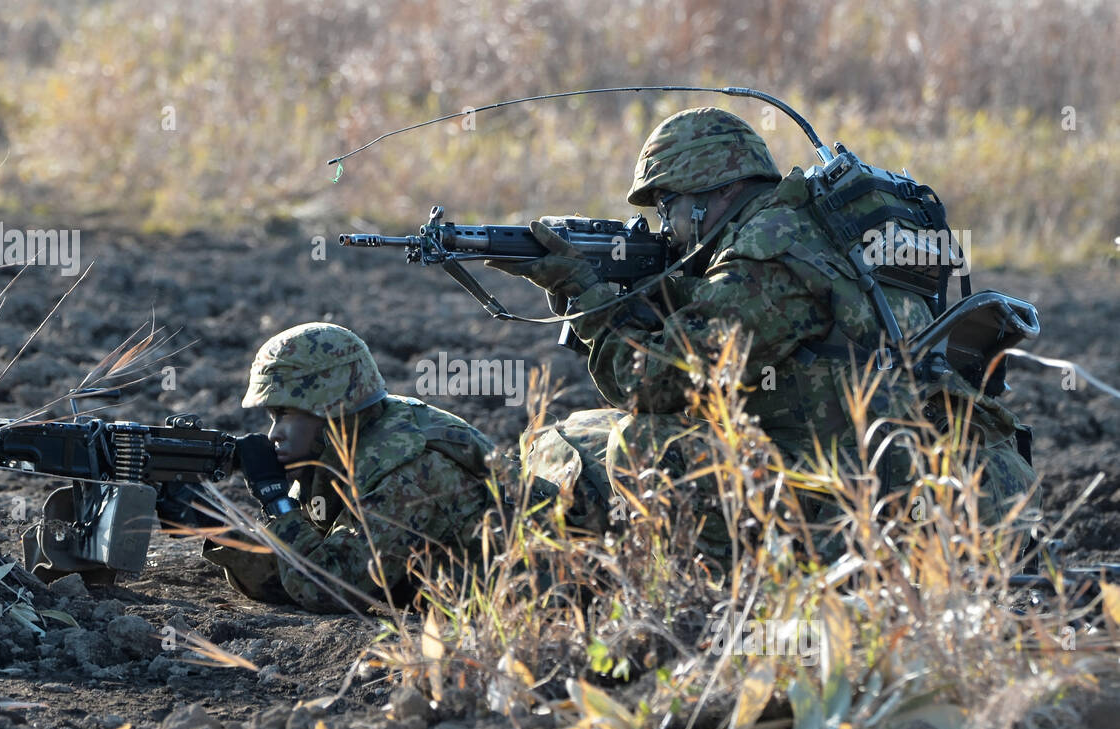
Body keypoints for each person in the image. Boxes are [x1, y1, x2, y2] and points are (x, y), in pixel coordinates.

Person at [493, 108, 1037, 554]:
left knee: (641, 442)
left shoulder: (767, 251)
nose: (666, 228)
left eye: (667, 205)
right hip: (951, 486)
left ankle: (737, 595)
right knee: (584, 431)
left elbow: (649, 384)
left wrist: (588, 299)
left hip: (864, 515)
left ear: (707, 193)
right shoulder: (820, 229)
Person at [202, 322, 498, 613]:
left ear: (330, 408)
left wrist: (277, 502)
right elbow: (285, 574)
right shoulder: (337, 452)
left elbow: (326, 589)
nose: (273, 434)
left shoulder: (408, 471)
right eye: (272, 417)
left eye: (284, 415)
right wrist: (212, 523)